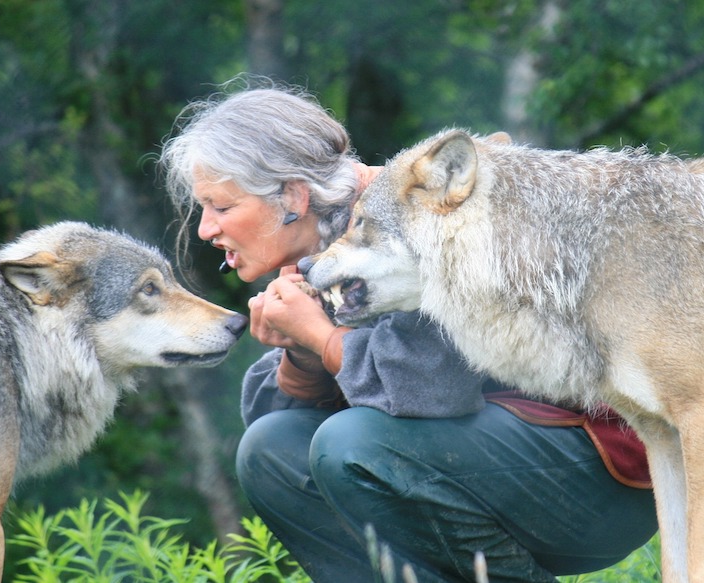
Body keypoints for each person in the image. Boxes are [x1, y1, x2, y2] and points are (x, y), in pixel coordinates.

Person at [159, 77, 658, 583]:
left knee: (352, 444)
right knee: (270, 450)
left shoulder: (419, 213)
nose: (205, 229)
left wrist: (324, 339)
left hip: (598, 478)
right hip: (499, 469)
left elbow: (433, 388)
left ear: (293, 195)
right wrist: (304, 353)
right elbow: (276, 425)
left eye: (221, 206)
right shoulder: (313, 249)